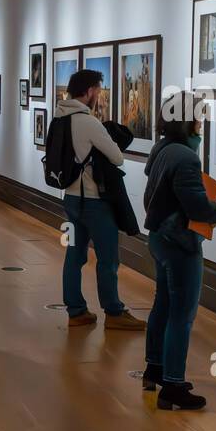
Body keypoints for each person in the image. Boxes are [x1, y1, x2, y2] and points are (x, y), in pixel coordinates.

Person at [141, 93, 216, 410]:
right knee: (182, 315)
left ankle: (155, 369)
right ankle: (173, 388)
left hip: (159, 239)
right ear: (188, 120)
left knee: (162, 304)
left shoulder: (161, 149)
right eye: (199, 116)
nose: (202, 122)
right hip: (180, 244)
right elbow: (198, 207)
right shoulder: (186, 158)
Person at [54, 68, 146, 330]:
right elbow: (117, 157)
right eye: (97, 90)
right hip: (93, 201)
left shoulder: (59, 117)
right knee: (108, 258)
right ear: (91, 91)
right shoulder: (88, 122)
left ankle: (76, 310)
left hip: (70, 199)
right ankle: (114, 312)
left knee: (74, 254)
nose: (98, 95)